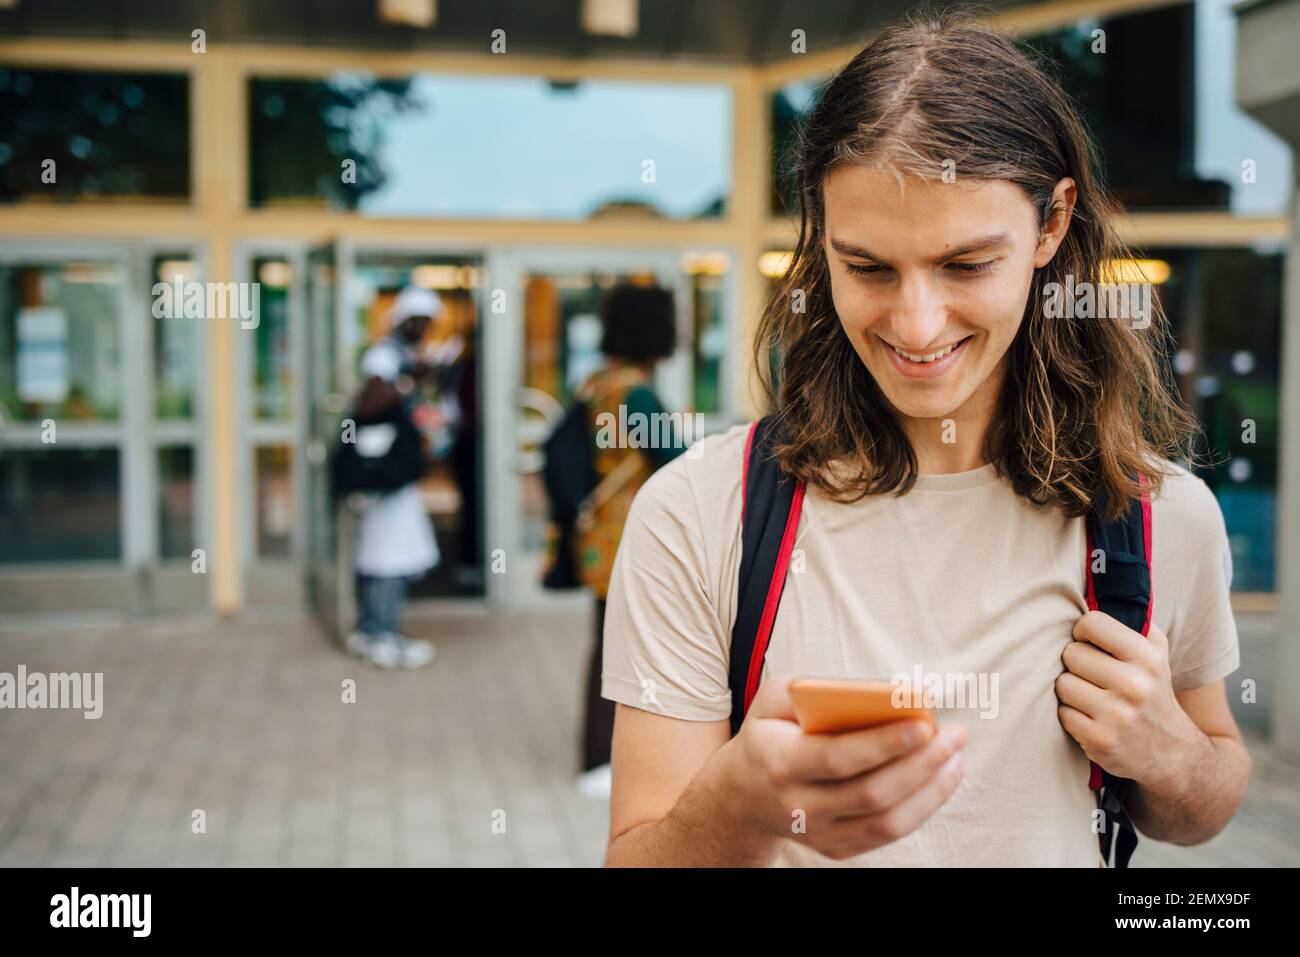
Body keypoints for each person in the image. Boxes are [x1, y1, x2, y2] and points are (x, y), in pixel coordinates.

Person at [601, 14, 1249, 867]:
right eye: (867, 266)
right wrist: (739, 805)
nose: (915, 325)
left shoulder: (1162, 517)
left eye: (966, 264)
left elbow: (1208, 794)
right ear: (820, 237)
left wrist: (1171, 755)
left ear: (1051, 225)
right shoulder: (698, 512)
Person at [574, 283, 687, 798]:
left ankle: (598, 755)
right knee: (619, 648)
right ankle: (602, 759)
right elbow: (674, 461)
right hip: (628, 536)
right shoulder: (636, 392)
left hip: (599, 533)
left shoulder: (597, 382)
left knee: (604, 641)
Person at [344, 286, 441, 670]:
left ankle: (374, 629)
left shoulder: (402, 356)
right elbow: (371, 399)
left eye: (427, 323)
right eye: (417, 322)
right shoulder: (385, 355)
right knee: (389, 556)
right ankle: (380, 634)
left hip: (391, 474)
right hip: (381, 475)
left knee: (387, 552)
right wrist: (409, 382)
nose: (423, 329)